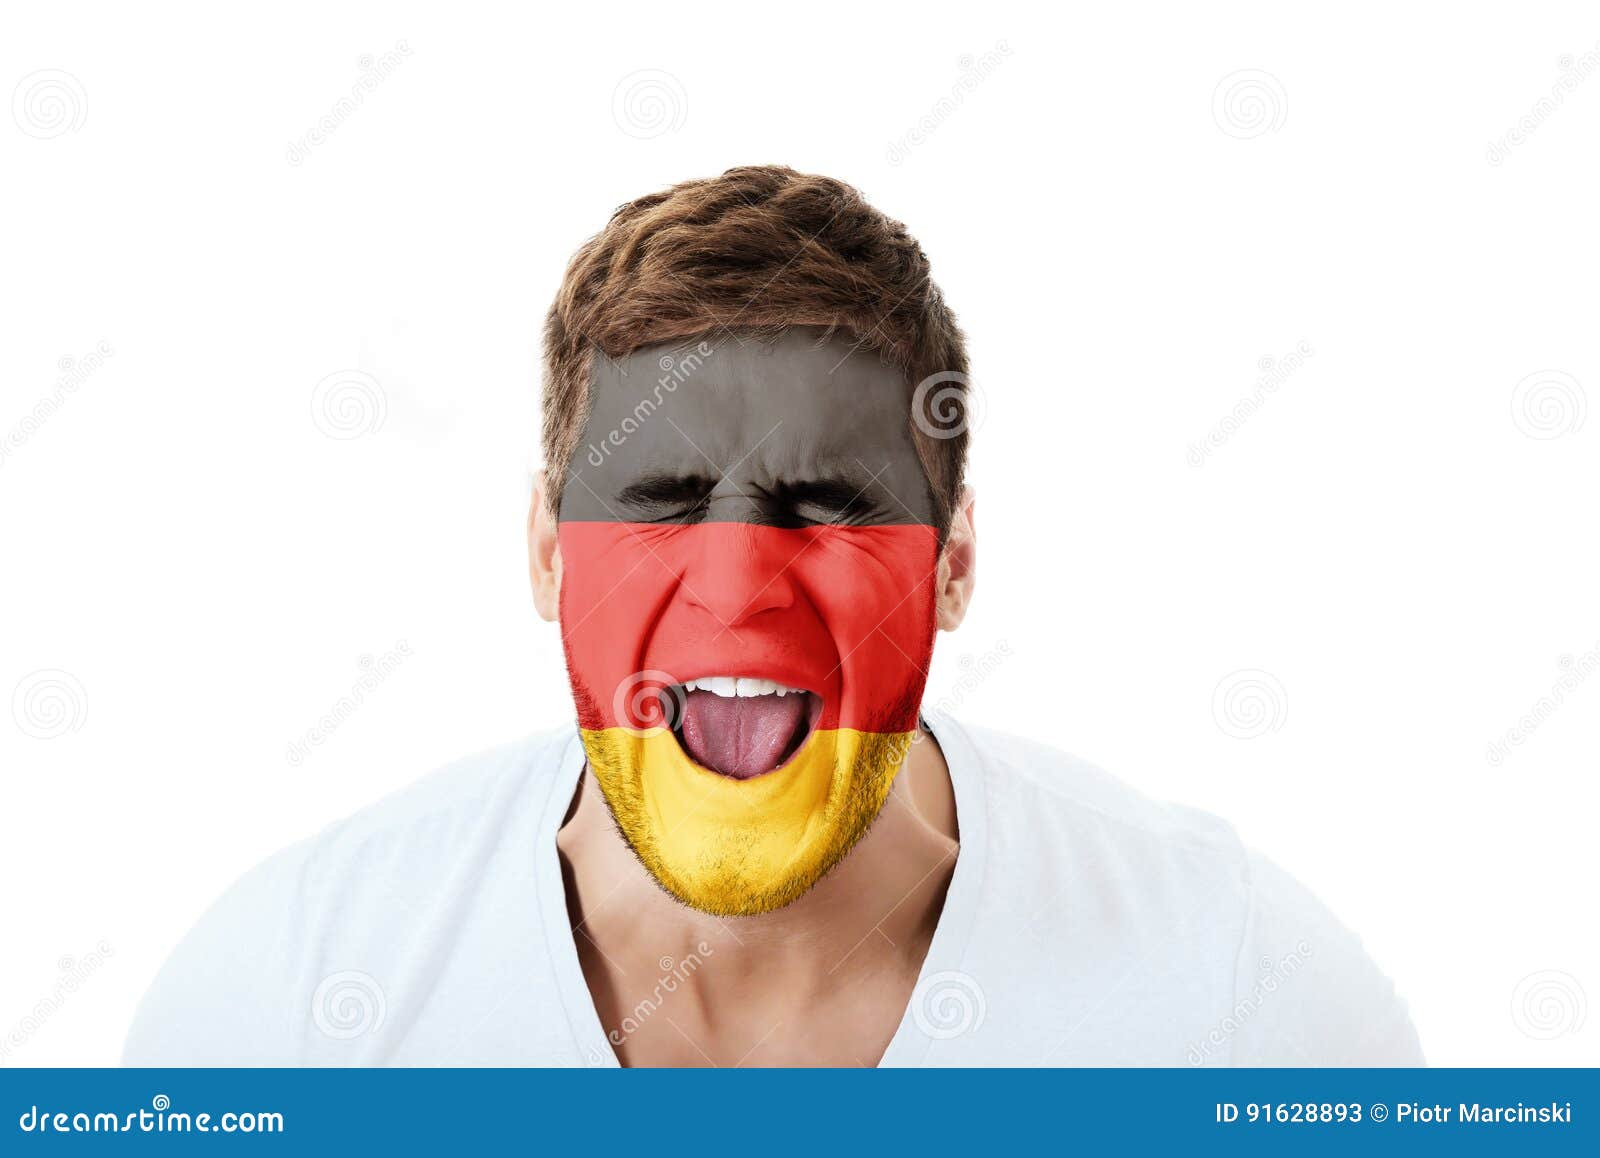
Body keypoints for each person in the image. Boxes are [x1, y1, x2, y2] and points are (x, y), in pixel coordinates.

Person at [124, 166, 1422, 1066]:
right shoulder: (283, 1000)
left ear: (956, 560)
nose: (739, 584)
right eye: (664, 498)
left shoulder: (1244, 996)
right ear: (544, 554)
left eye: (826, 502)